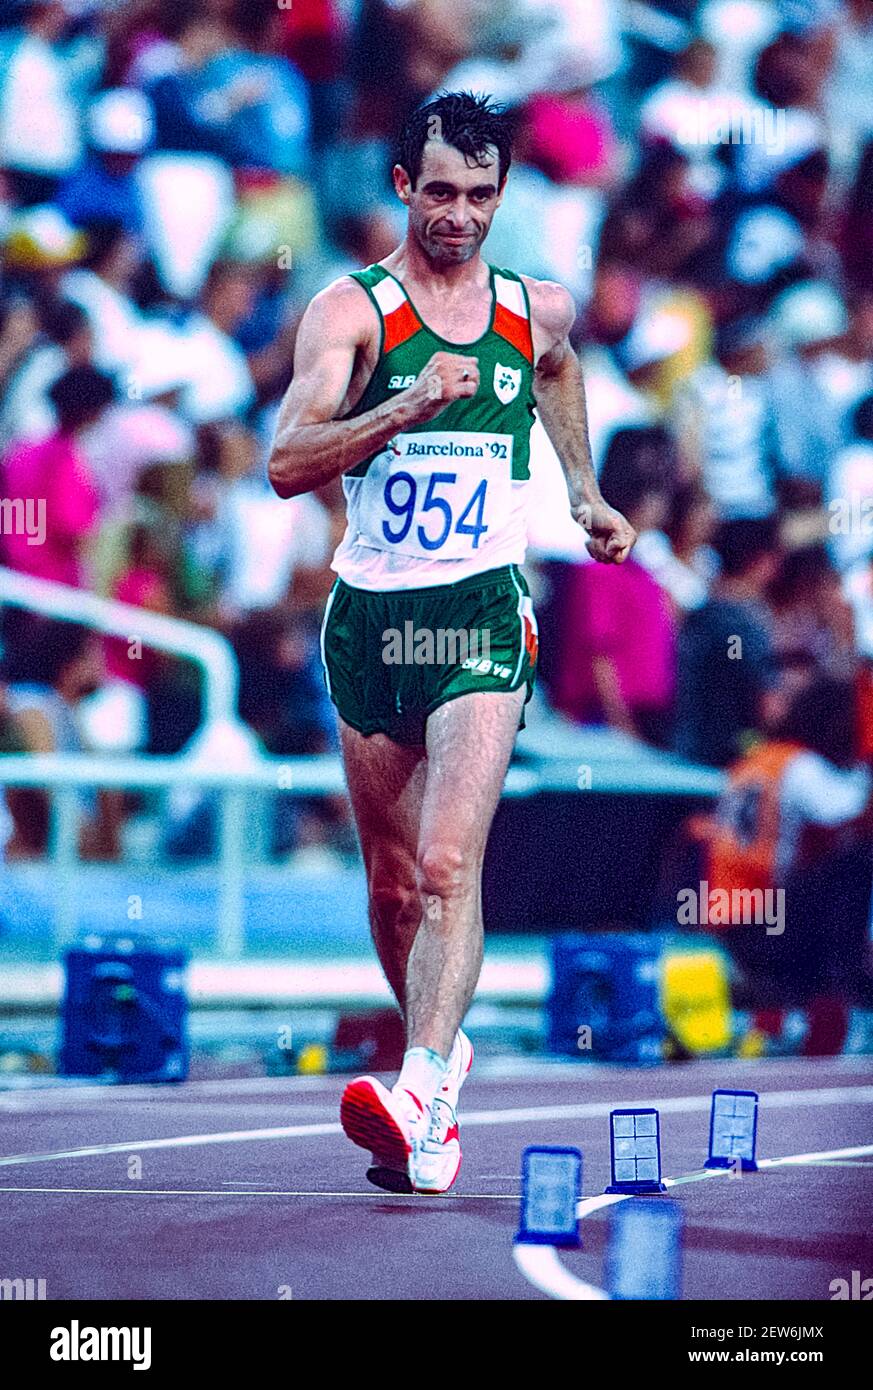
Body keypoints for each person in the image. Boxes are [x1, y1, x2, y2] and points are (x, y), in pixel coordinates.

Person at [267, 90, 635, 1194]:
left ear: (502, 191)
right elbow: (285, 462)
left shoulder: (534, 308)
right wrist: (405, 407)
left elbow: (558, 368)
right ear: (400, 186)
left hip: (478, 612)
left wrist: (582, 490)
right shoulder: (352, 312)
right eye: (439, 192)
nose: (460, 215)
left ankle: (421, 1084)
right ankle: (438, 1077)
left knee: (445, 864)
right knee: (391, 889)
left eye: (480, 195)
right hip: (372, 619)